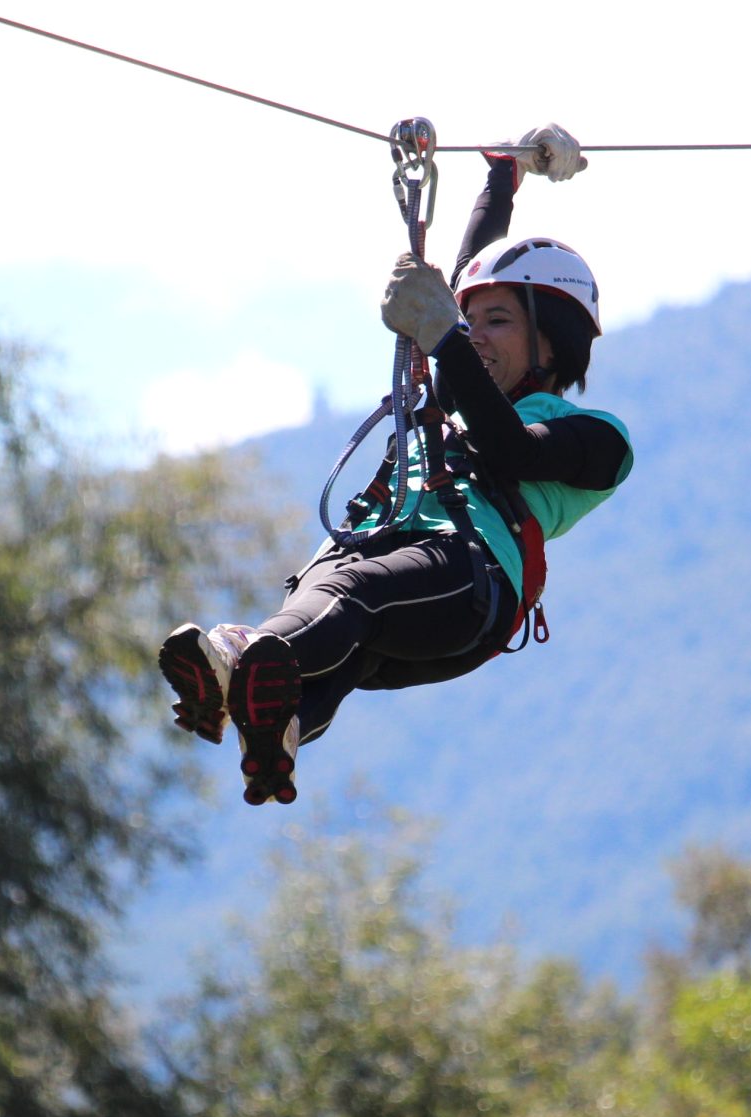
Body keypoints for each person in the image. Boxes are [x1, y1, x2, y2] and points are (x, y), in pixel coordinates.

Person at [158, 123, 633, 804]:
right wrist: (502, 174)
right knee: (337, 642)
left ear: (551, 345)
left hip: (465, 576)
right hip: (377, 553)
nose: (476, 338)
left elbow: (512, 447)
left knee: (350, 600)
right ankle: (275, 728)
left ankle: (238, 661)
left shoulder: (597, 438)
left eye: (497, 321)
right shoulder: (455, 386)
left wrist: (444, 335)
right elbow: (467, 271)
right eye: (471, 325)